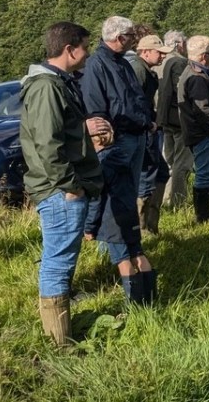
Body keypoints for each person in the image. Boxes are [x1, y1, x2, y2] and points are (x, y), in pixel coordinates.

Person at [21, 22, 110, 346]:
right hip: (61, 191)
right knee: (58, 263)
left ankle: (59, 334)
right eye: (85, 47)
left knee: (60, 259)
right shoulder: (46, 86)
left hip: (63, 187)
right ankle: (59, 343)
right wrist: (71, 186)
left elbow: (61, 134)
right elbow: (47, 144)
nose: (88, 54)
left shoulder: (56, 82)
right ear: (70, 49)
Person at [81, 16, 158, 305]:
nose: (133, 39)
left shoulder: (123, 62)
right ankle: (120, 259)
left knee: (125, 197)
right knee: (115, 198)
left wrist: (147, 122)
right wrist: (106, 141)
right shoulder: (97, 64)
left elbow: (135, 99)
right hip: (117, 140)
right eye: (129, 35)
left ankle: (137, 281)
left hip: (136, 136)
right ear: (118, 37)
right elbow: (96, 110)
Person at [177, 36, 209, 222]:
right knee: (205, 174)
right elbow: (202, 109)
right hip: (203, 133)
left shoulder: (194, 72)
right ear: (204, 56)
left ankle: (205, 211)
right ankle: (202, 216)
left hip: (201, 132)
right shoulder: (196, 77)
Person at [129, 35, 173, 235]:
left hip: (149, 129)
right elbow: (134, 102)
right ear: (145, 52)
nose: (162, 57)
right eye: (159, 52)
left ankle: (150, 226)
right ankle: (142, 229)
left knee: (161, 173)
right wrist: (148, 124)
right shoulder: (138, 70)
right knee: (147, 179)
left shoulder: (146, 69)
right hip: (143, 131)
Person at [155, 30, 193, 209]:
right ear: (179, 44)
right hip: (177, 120)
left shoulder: (158, 62)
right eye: (184, 44)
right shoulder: (179, 61)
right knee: (181, 162)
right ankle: (178, 201)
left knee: (169, 160)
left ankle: (163, 198)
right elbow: (182, 92)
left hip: (162, 119)